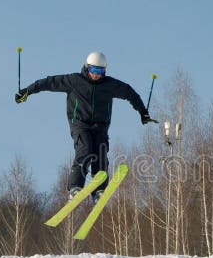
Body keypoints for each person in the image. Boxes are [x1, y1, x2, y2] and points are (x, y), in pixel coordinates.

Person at [14, 51, 155, 199]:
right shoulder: (74, 81)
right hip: (80, 123)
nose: (96, 74)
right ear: (87, 68)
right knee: (85, 149)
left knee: (101, 153)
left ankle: (99, 190)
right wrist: (27, 91)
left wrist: (143, 113)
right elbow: (48, 82)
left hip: (100, 126)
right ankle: (75, 186)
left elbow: (130, 93)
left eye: (100, 71)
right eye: (94, 70)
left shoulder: (110, 85)